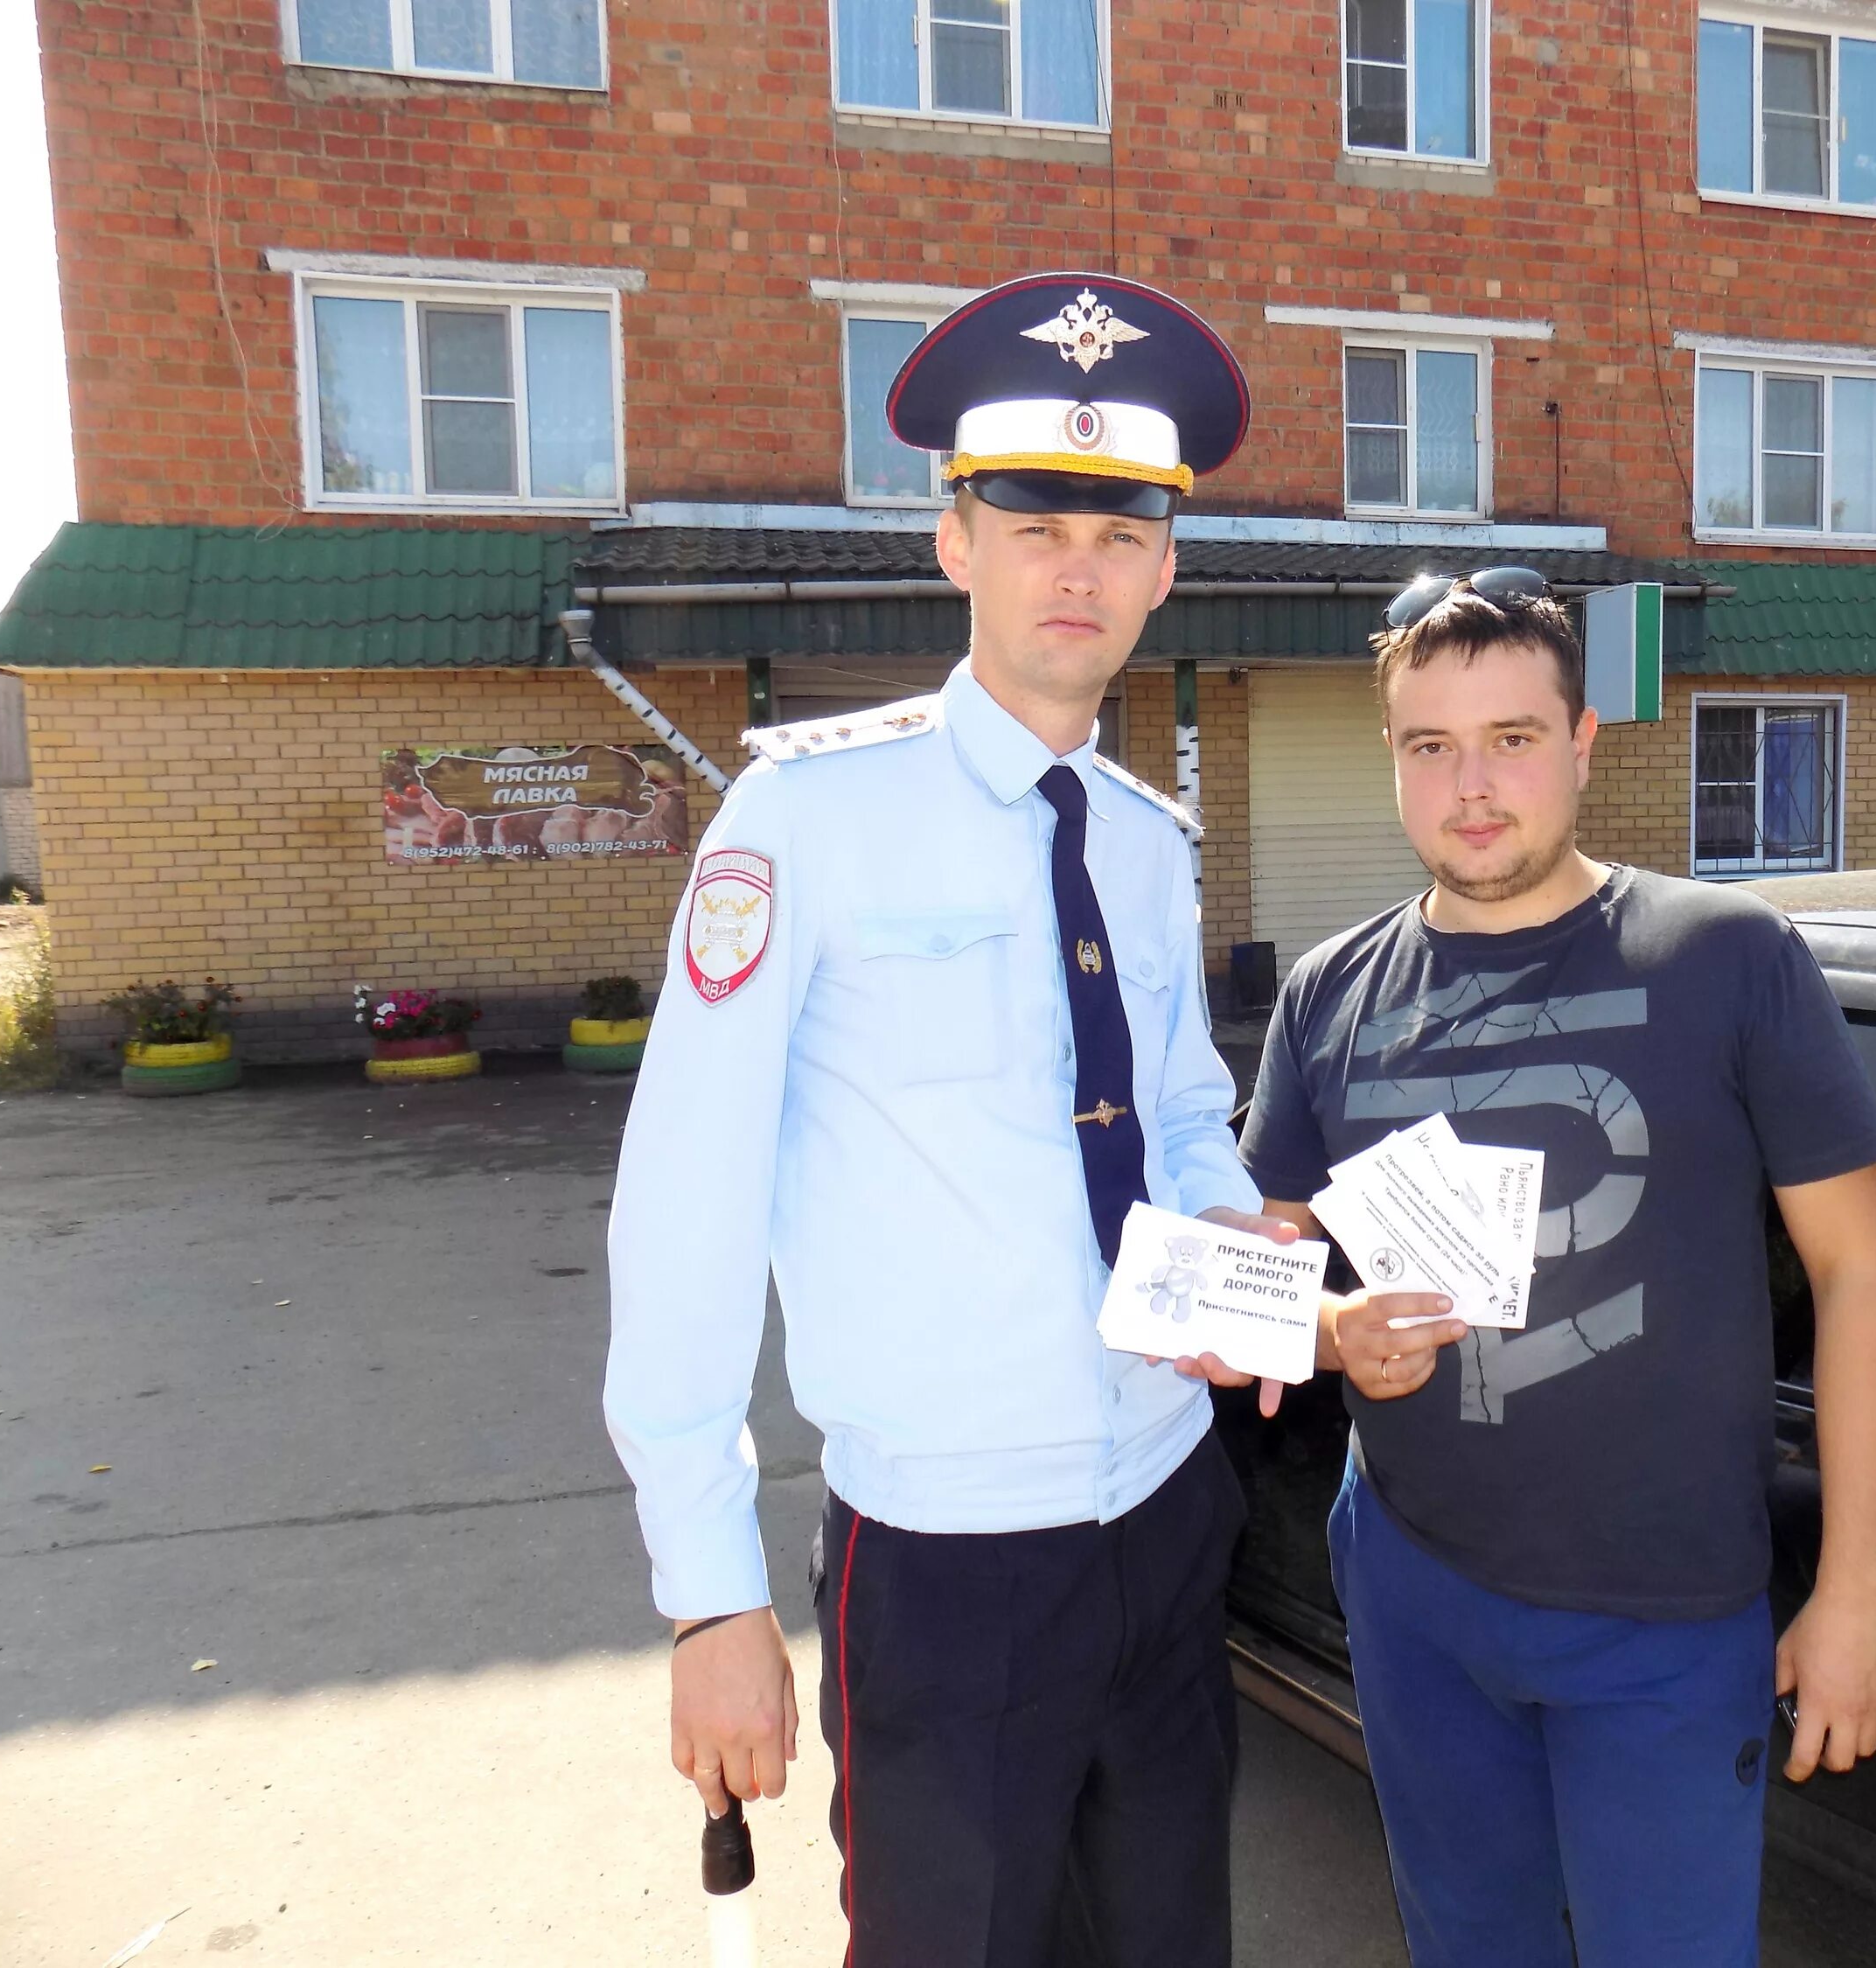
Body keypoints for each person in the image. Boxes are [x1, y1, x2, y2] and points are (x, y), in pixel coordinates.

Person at [603, 273, 1294, 1968]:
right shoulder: (807, 818)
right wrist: (710, 1591)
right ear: (953, 544)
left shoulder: (1143, 836)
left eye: (1120, 534)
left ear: (1166, 569)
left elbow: (1181, 1117)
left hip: (1169, 1504)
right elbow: (683, 1210)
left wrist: (1239, 1233)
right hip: (948, 1557)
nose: (1080, 567)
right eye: (1035, 521)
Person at [1233, 572, 1876, 1968]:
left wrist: (1856, 1589)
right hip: (1415, 1587)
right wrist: (1325, 1327)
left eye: (1513, 738)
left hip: (1660, 1613)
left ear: (1585, 739)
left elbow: (1860, 1274)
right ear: (1397, 762)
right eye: (1432, 747)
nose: (1471, 786)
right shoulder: (1328, 991)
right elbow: (1271, 1261)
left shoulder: (1726, 955)